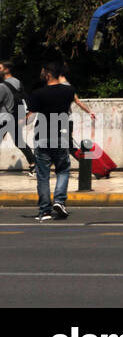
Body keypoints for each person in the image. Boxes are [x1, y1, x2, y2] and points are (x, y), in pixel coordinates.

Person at [27, 62, 75, 221]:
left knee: (43, 175)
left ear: (48, 74)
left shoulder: (37, 93)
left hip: (42, 137)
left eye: (43, 72)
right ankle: (59, 201)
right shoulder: (69, 91)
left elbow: (31, 115)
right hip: (60, 136)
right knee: (62, 170)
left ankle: (44, 210)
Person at [0, 61, 37, 176]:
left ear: (6, 70)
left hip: (4, 118)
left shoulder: (2, 86)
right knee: (19, 142)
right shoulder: (17, 82)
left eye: (0, 67)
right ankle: (34, 164)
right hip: (16, 118)